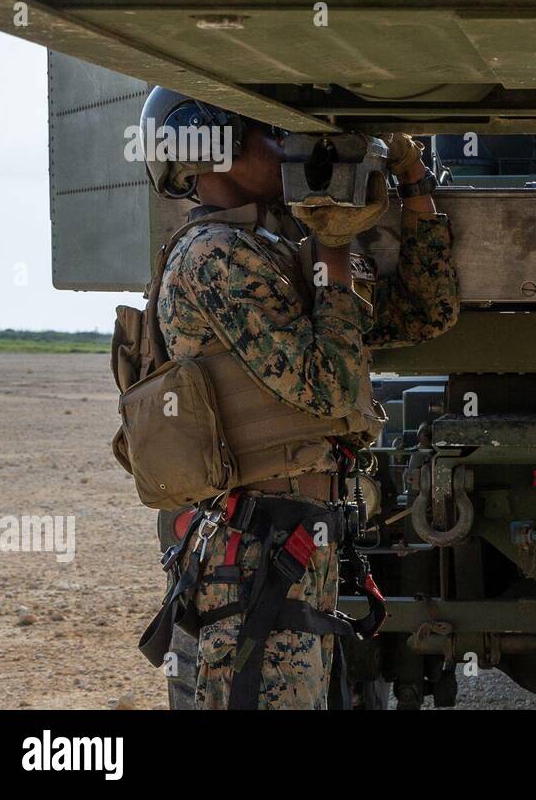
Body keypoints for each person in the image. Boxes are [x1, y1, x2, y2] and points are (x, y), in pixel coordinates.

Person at [140, 87, 458, 708]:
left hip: (292, 543)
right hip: (260, 551)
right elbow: (327, 387)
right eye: (270, 134)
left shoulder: (272, 253)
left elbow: (426, 312)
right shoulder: (214, 259)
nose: (285, 149)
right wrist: (333, 252)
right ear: (217, 149)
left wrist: (413, 182)